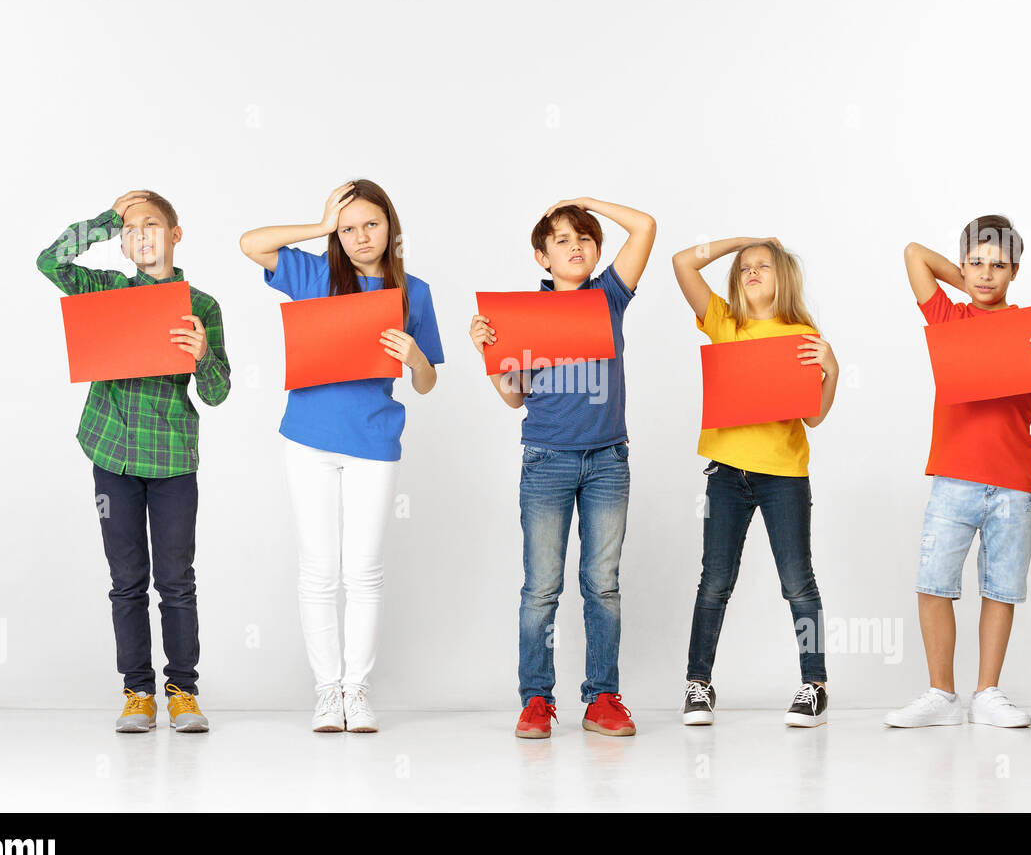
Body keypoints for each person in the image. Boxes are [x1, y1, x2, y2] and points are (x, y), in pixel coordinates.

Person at [240, 180, 443, 733]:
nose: (360, 237)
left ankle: (357, 689)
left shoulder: (414, 293)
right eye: (348, 228)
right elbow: (251, 244)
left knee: (363, 570)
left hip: (373, 442)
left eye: (370, 224)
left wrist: (416, 358)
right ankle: (328, 692)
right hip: (308, 439)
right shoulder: (314, 275)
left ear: (390, 226)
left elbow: (426, 383)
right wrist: (319, 226)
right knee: (318, 569)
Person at [37, 189, 230, 733]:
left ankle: (183, 691)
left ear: (176, 234)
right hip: (112, 455)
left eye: (152, 225)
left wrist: (203, 356)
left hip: (172, 460)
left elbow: (217, 393)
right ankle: (137, 692)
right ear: (122, 244)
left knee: (176, 580)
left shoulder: (202, 306)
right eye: (130, 230)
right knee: (126, 580)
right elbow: (49, 262)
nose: (140, 235)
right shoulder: (106, 291)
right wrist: (106, 218)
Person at [470, 197, 655, 739]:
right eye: (562, 240)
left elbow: (645, 226)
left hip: (607, 460)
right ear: (542, 257)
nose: (576, 247)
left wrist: (584, 203)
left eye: (585, 238)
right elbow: (515, 397)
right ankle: (536, 699)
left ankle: (602, 698)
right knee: (541, 587)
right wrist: (488, 356)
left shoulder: (609, 296)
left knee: (603, 585)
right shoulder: (523, 316)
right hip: (546, 459)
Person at [886, 215, 1031, 729]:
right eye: (976, 263)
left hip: (1013, 483)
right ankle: (941, 694)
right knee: (933, 584)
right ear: (963, 265)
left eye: (998, 266)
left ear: (1015, 271)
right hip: (953, 478)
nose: (986, 273)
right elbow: (914, 253)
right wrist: (967, 282)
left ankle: (987, 692)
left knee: (1000, 590)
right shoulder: (951, 319)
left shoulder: (1029, 331)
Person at [673, 236, 839, 728]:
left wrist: (831, 370)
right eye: (745, 267)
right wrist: (741, 243)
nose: (751, 271)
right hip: (727, 475)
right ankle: (698, 684)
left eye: (763, 265)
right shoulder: (724, 323)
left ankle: (815, 685)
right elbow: (682, 264)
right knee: (715, 581)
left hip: (784, 476)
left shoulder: (800, 334)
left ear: (782, 276)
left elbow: (814, 417)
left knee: (798, 581)